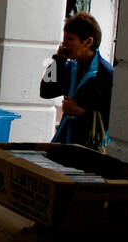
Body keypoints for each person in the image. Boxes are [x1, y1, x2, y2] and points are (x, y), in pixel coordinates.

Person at [39, 11, 113, 150]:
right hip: (65, 141)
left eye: (70, 39)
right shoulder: (70, 68)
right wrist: (57, 61)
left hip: (88, 148)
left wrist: (80, 111)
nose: (65, 44)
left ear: (88, 42)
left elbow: (111, 118)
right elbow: (46, 91)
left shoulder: (106, 74)